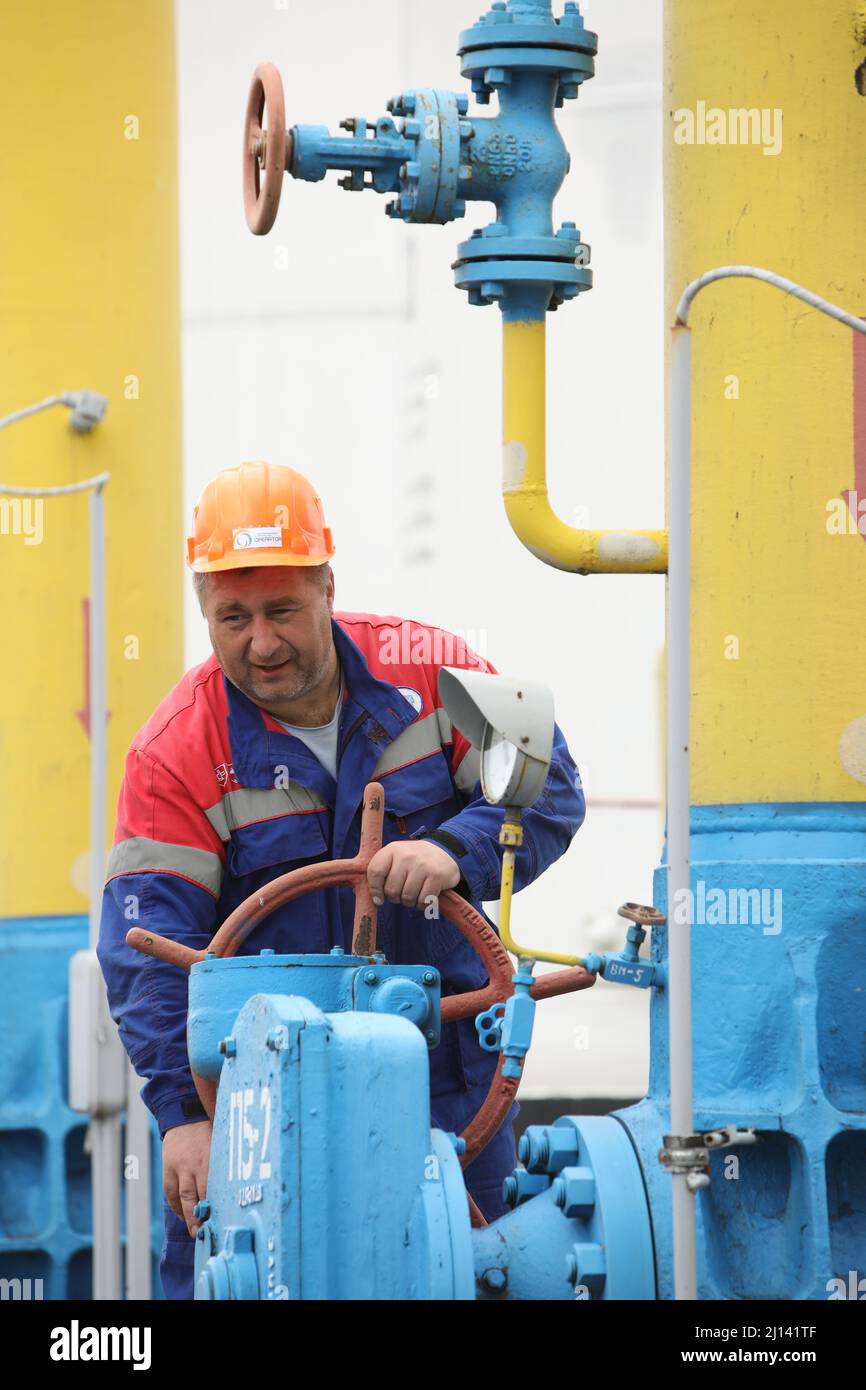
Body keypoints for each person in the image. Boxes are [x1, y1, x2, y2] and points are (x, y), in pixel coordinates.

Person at [97, 459, 586, 1299]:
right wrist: (182, 1118)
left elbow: (552, 790)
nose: (262, 641)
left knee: (473, 1273)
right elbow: (150, 957)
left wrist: (455, 852)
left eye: (284, 608)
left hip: (443, 1083)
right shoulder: (173, 755)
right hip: (255, 1102)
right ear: (203, 611)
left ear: (328, 584)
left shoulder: (435, 672)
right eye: (233, 617)